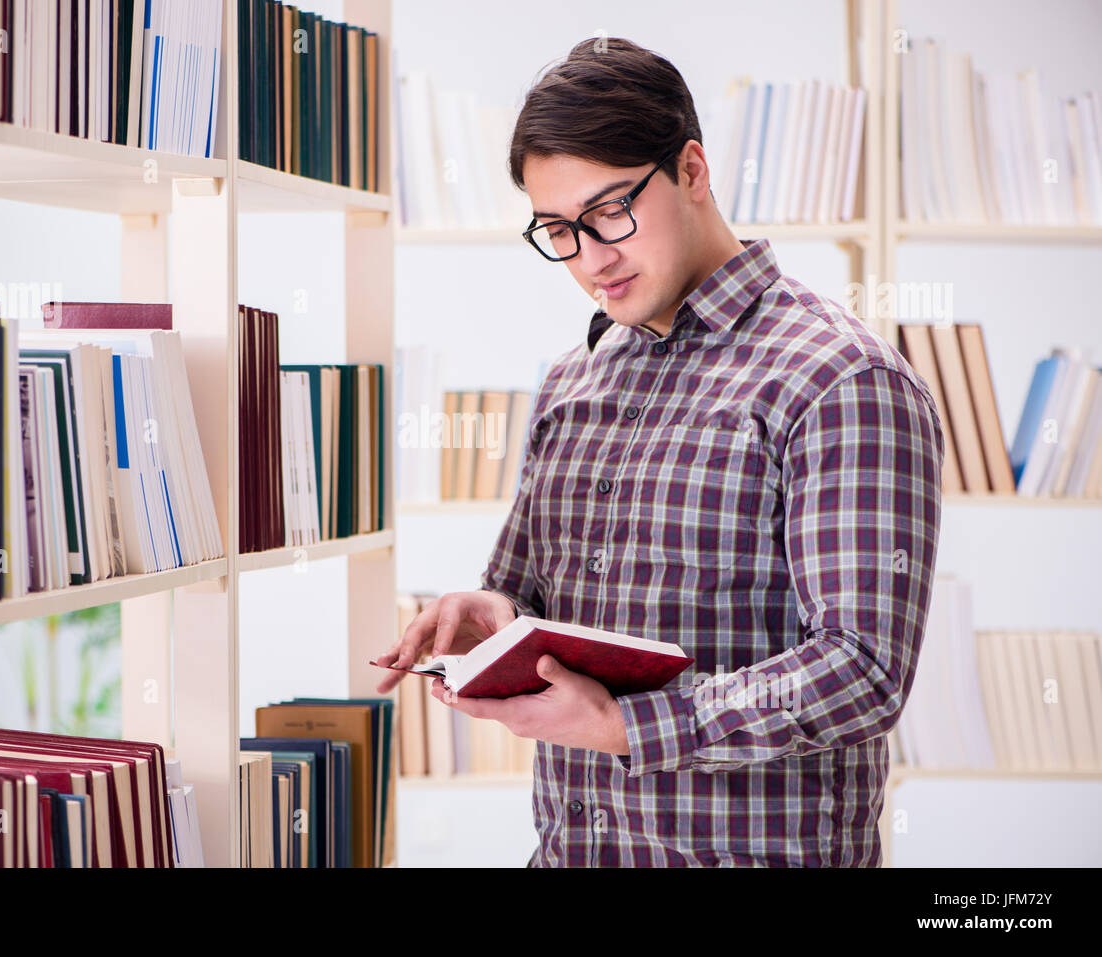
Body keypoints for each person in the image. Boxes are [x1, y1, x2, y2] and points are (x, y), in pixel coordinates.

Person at [375, 36, 945, 867]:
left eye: (611, 211)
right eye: (559, 230)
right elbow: (533, 603)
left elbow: (863, 672)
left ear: (692, 170)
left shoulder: (839, 378)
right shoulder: (575, 379)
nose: (591, 258)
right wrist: (496, 620)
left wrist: (623, 725)